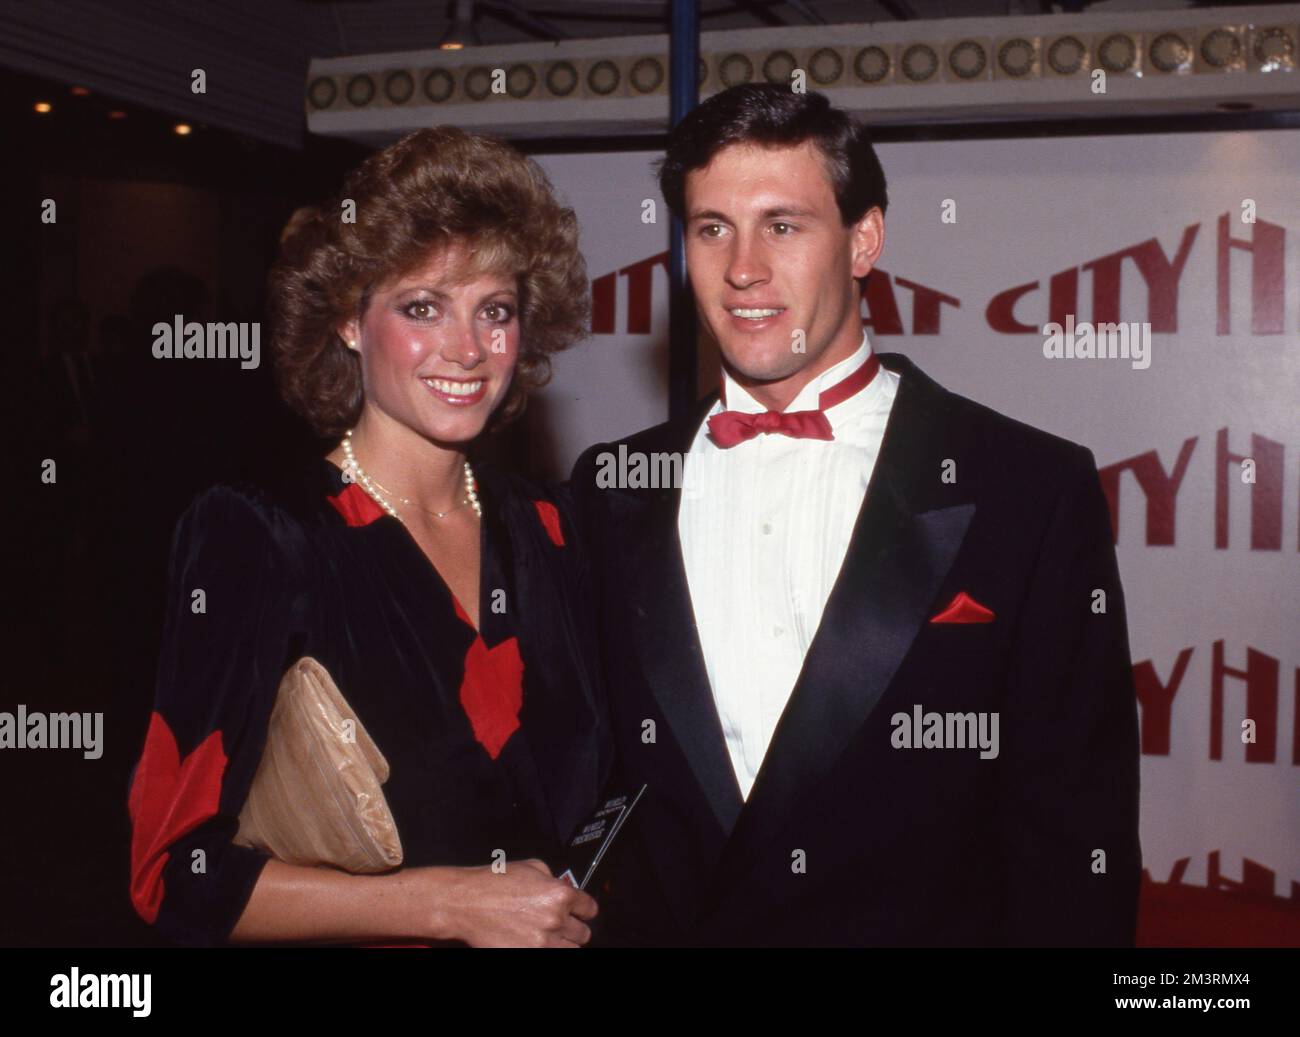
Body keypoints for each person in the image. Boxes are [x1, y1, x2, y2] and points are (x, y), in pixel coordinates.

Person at [569, 84, 1142, 946]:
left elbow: (1073, 843)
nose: (743, 268)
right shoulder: (611, 487)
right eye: (711, 227)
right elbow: (587, 785)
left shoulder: (1030, 489)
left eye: (783, 225)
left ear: (864, 238)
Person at [126, 127, 607, 947]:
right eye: (423, 307)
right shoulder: (261, 536)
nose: (466, 348)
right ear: (350, 320)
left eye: (494, 311)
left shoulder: (552, 526)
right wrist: (448, 903)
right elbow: (173, 873)